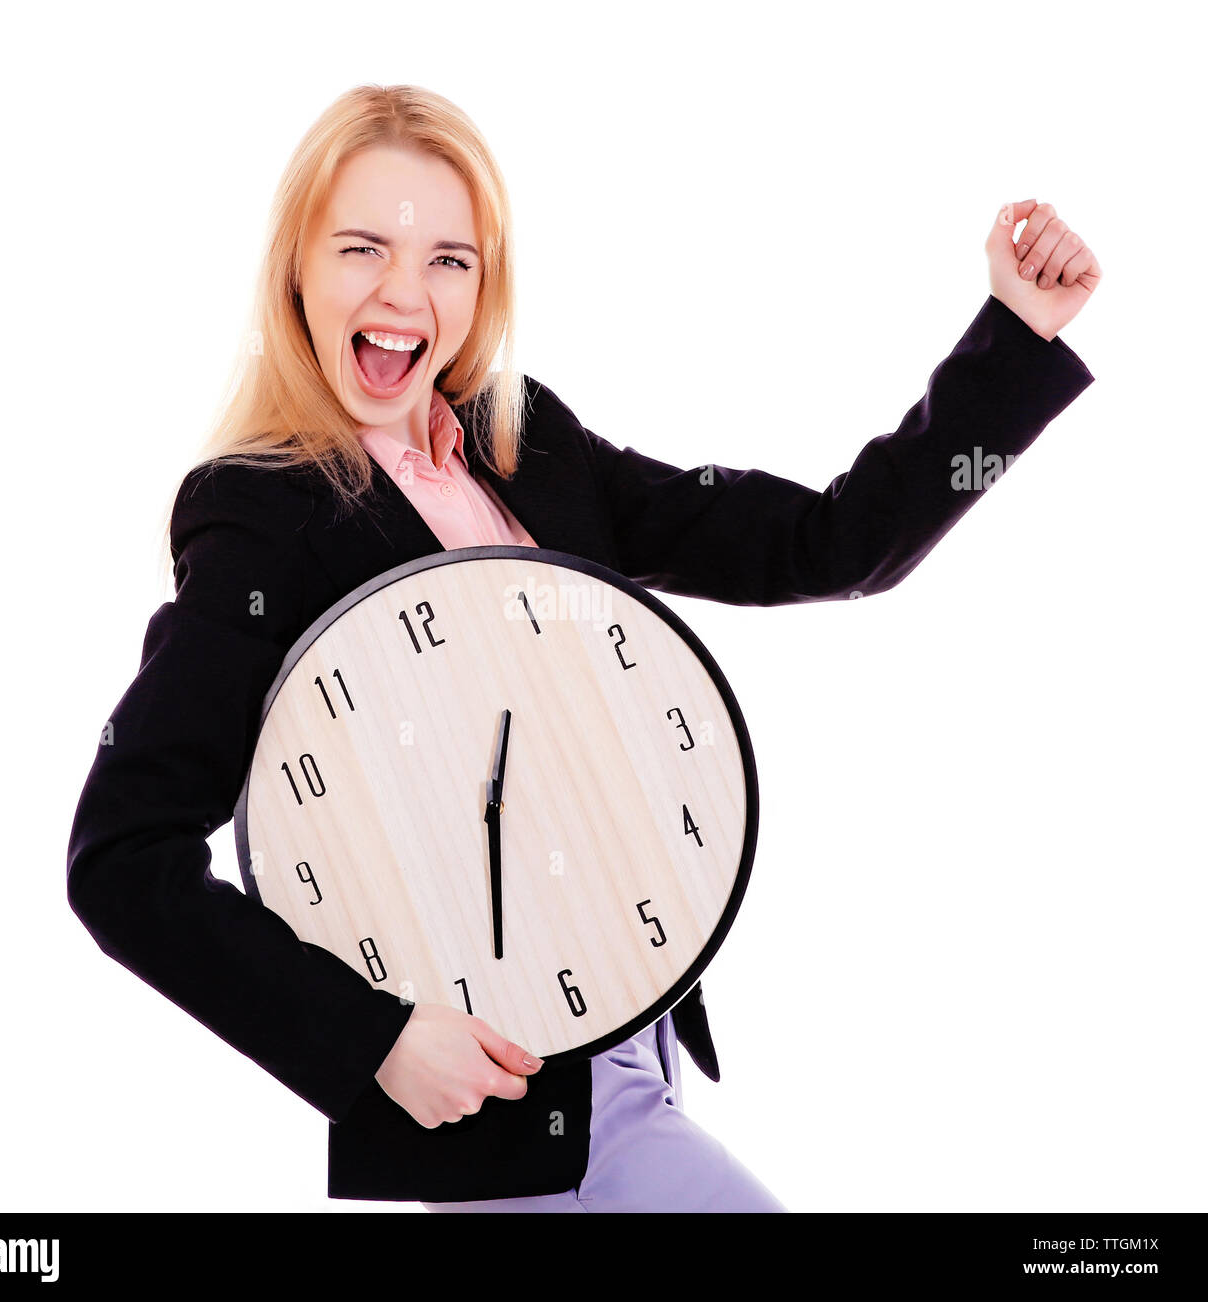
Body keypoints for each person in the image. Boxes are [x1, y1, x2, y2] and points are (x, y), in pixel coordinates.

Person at [66, 84, 1099, 1213]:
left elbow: (831, 544)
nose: (405, 293)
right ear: (297, 269)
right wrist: (375, 1043)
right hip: (512, 1118)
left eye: (449, 258)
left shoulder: (525, 442)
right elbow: (123, 857)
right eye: (363, 246)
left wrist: (1014, 341)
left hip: (632, 1052)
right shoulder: (264, 513)